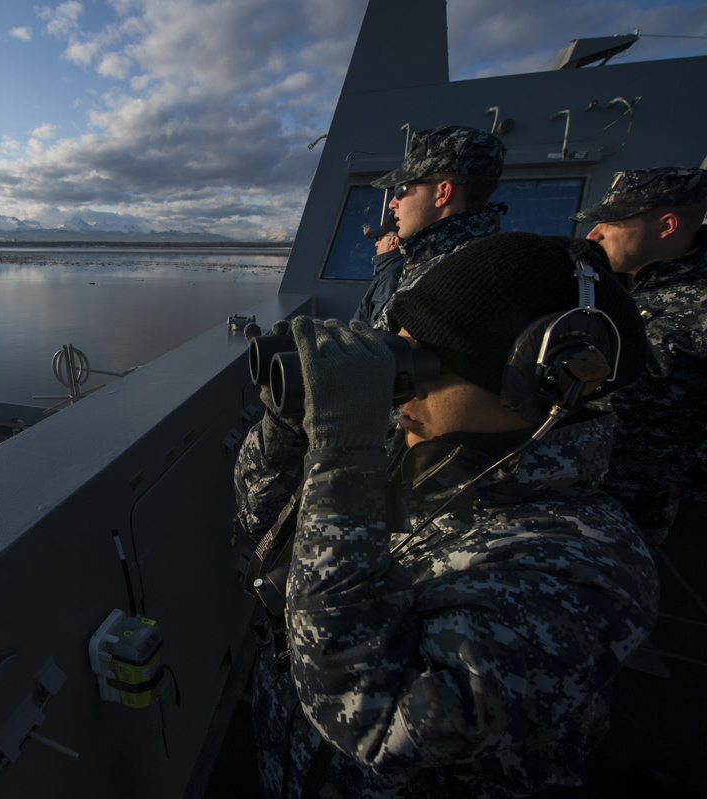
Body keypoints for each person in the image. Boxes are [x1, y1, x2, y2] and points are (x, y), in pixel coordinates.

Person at [235, 232, 655, 798]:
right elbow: (261, 521)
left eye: (421, 361)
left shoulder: (585, 566)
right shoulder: (408, 453)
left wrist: (341, 451)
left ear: (544, 382)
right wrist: (295, 423)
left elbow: (375, 719)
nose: (398, 388)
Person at [572, 166, 707, 544]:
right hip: (568, 483)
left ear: (667, 225)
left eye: (611, 223)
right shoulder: (606, 286)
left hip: (634, 506)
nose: (593, 234)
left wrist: (684, 481)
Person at [368, 125, 507, 331]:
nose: (393, 203)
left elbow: (392, 360)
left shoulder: (451, 281)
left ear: (442, 193)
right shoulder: (476, 259)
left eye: (402, 189)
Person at [351, 216, 402, 325]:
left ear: (394, 241)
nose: (376, 244)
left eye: (378, 239)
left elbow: (379, 330)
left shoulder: (392, 277)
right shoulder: (392, 270)